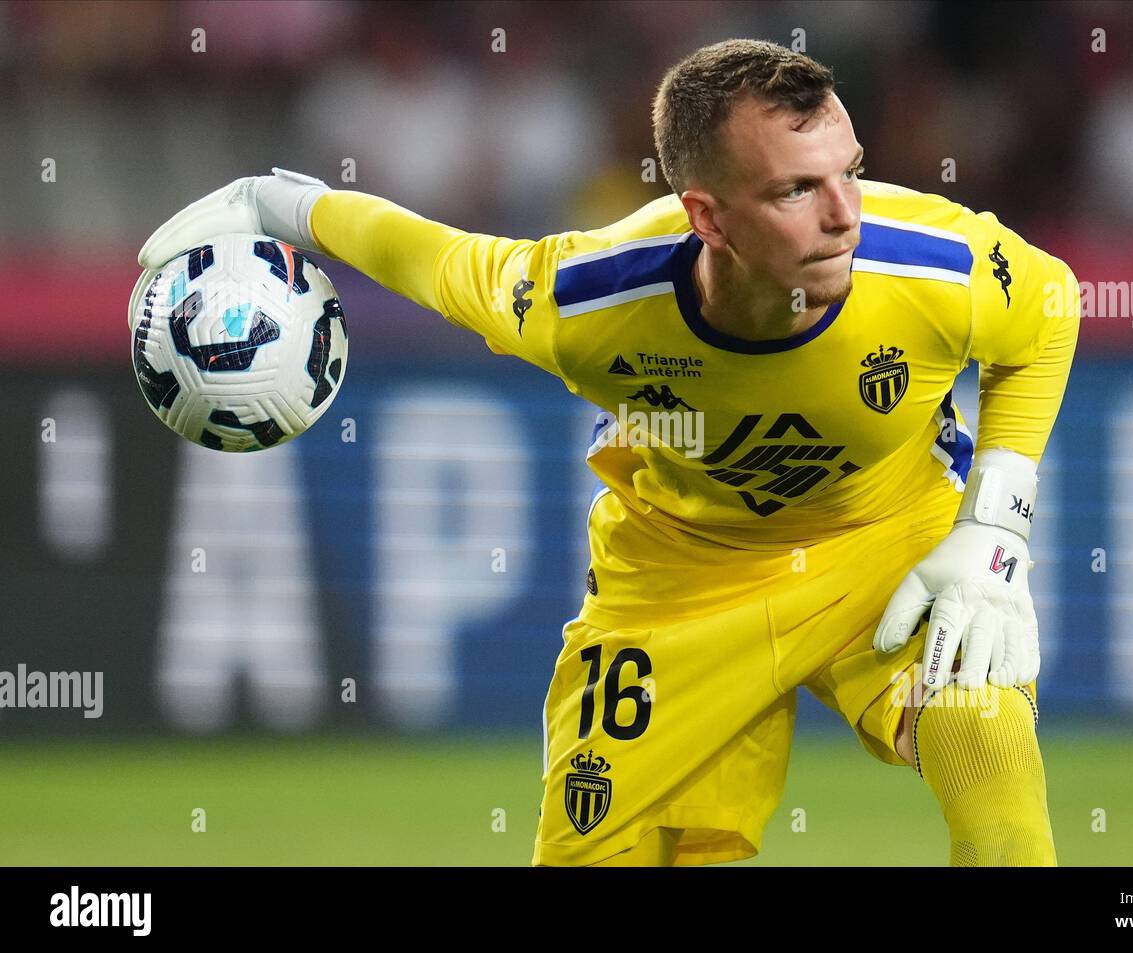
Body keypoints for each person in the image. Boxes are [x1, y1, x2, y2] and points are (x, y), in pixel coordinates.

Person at [135, 38, 1080, 867]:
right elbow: (431, 256)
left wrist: (994, 528)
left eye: (851, 172)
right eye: (797, 189)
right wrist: (280, 204)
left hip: (887, 540)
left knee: (982, 731)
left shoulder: (937, 264)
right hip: (675, 581)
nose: (845, 214)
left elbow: (1050, 312)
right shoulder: (584, 304)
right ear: (707, 217)